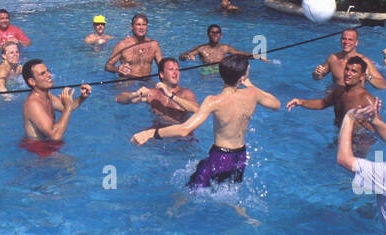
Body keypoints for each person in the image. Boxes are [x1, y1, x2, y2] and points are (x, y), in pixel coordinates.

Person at [130, 55, 281, 192]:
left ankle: (174, 213)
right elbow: (276, 105)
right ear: (242, 78)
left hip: (220, 156)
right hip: (240, 156)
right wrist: (250, 84)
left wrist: (151, 133)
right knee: (231, 191)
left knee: (189, 192)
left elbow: (184, 130)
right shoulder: (252, 94)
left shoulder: (213, 101)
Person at [287, 56, 379, 153]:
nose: (348, 73)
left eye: (354, 71)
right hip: (341, 136)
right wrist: (301, 102)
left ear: (362, 76)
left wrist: (376, 156)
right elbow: (323, 103)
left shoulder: (366, 99)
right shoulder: (339, 91)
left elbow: (379, 129)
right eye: (347, 69)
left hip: (359, 142)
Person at [21, 59, 92, 142]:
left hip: (48, 144)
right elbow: (55, 136)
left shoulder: (47, 95)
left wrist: (82, 97)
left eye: (48, 71)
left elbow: (67, 107)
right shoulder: (33, 104)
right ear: (32, 82)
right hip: (38, 149)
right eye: (42, 74)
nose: (49, 75)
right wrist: (68, 108)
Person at [115, 57, 199, 123]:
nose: (176, 73)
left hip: (179, 135)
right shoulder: (153, 94)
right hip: (157, 132)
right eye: (171, 69)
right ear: (162, 74)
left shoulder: (185, 93)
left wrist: (170, 95)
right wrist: (136, 94)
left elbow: (197, 110)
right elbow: (118, 99)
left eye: (177, 69)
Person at [312, 28, 385, 89]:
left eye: (350, 39)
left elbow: (382, 85)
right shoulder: (333, 58)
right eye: (344, 39)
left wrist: (368, 78)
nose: (346, 42)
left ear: (356, 43)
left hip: (355, 97)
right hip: (335, 95)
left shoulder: (364, 61)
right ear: (340, 40)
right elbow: (317, 77)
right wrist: (316, 74)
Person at [104, 13, 164, 80]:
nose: (141, 27)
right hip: (127, 81)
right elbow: (108, 66)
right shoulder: (123, 45)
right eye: (138, 24)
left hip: (147, 80)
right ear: (132, 27)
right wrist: (117, 69)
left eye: (144, 25)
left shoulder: (153, 45)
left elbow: (162, 66)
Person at [179, 24, 268, 65]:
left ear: (221, 35)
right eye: (212, 32)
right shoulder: (200, 48)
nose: (215, 35)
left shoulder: (226, 48)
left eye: (217, 33)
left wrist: (258, 56)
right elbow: (181, 57)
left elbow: (241, 55)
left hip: (220, 74)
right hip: (206, 75)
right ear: (207, 35)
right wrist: (187, 56)